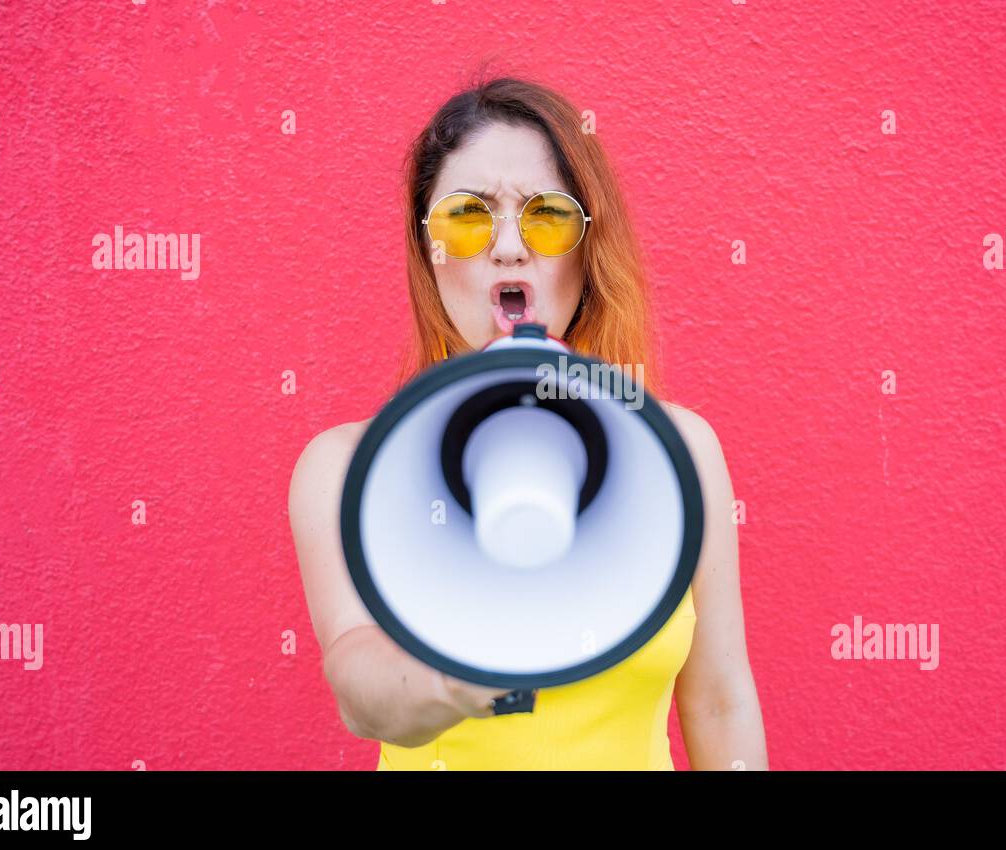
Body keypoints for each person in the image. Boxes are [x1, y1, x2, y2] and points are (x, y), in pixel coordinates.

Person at [288, 75, 766, 770]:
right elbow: (362, 694)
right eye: (467, 215)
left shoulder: (681, 454)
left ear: (585, 248)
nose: (509, 247)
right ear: (431, 250)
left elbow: (721, 701)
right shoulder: (346, 468)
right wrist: (468, 670)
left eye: (547, 216)